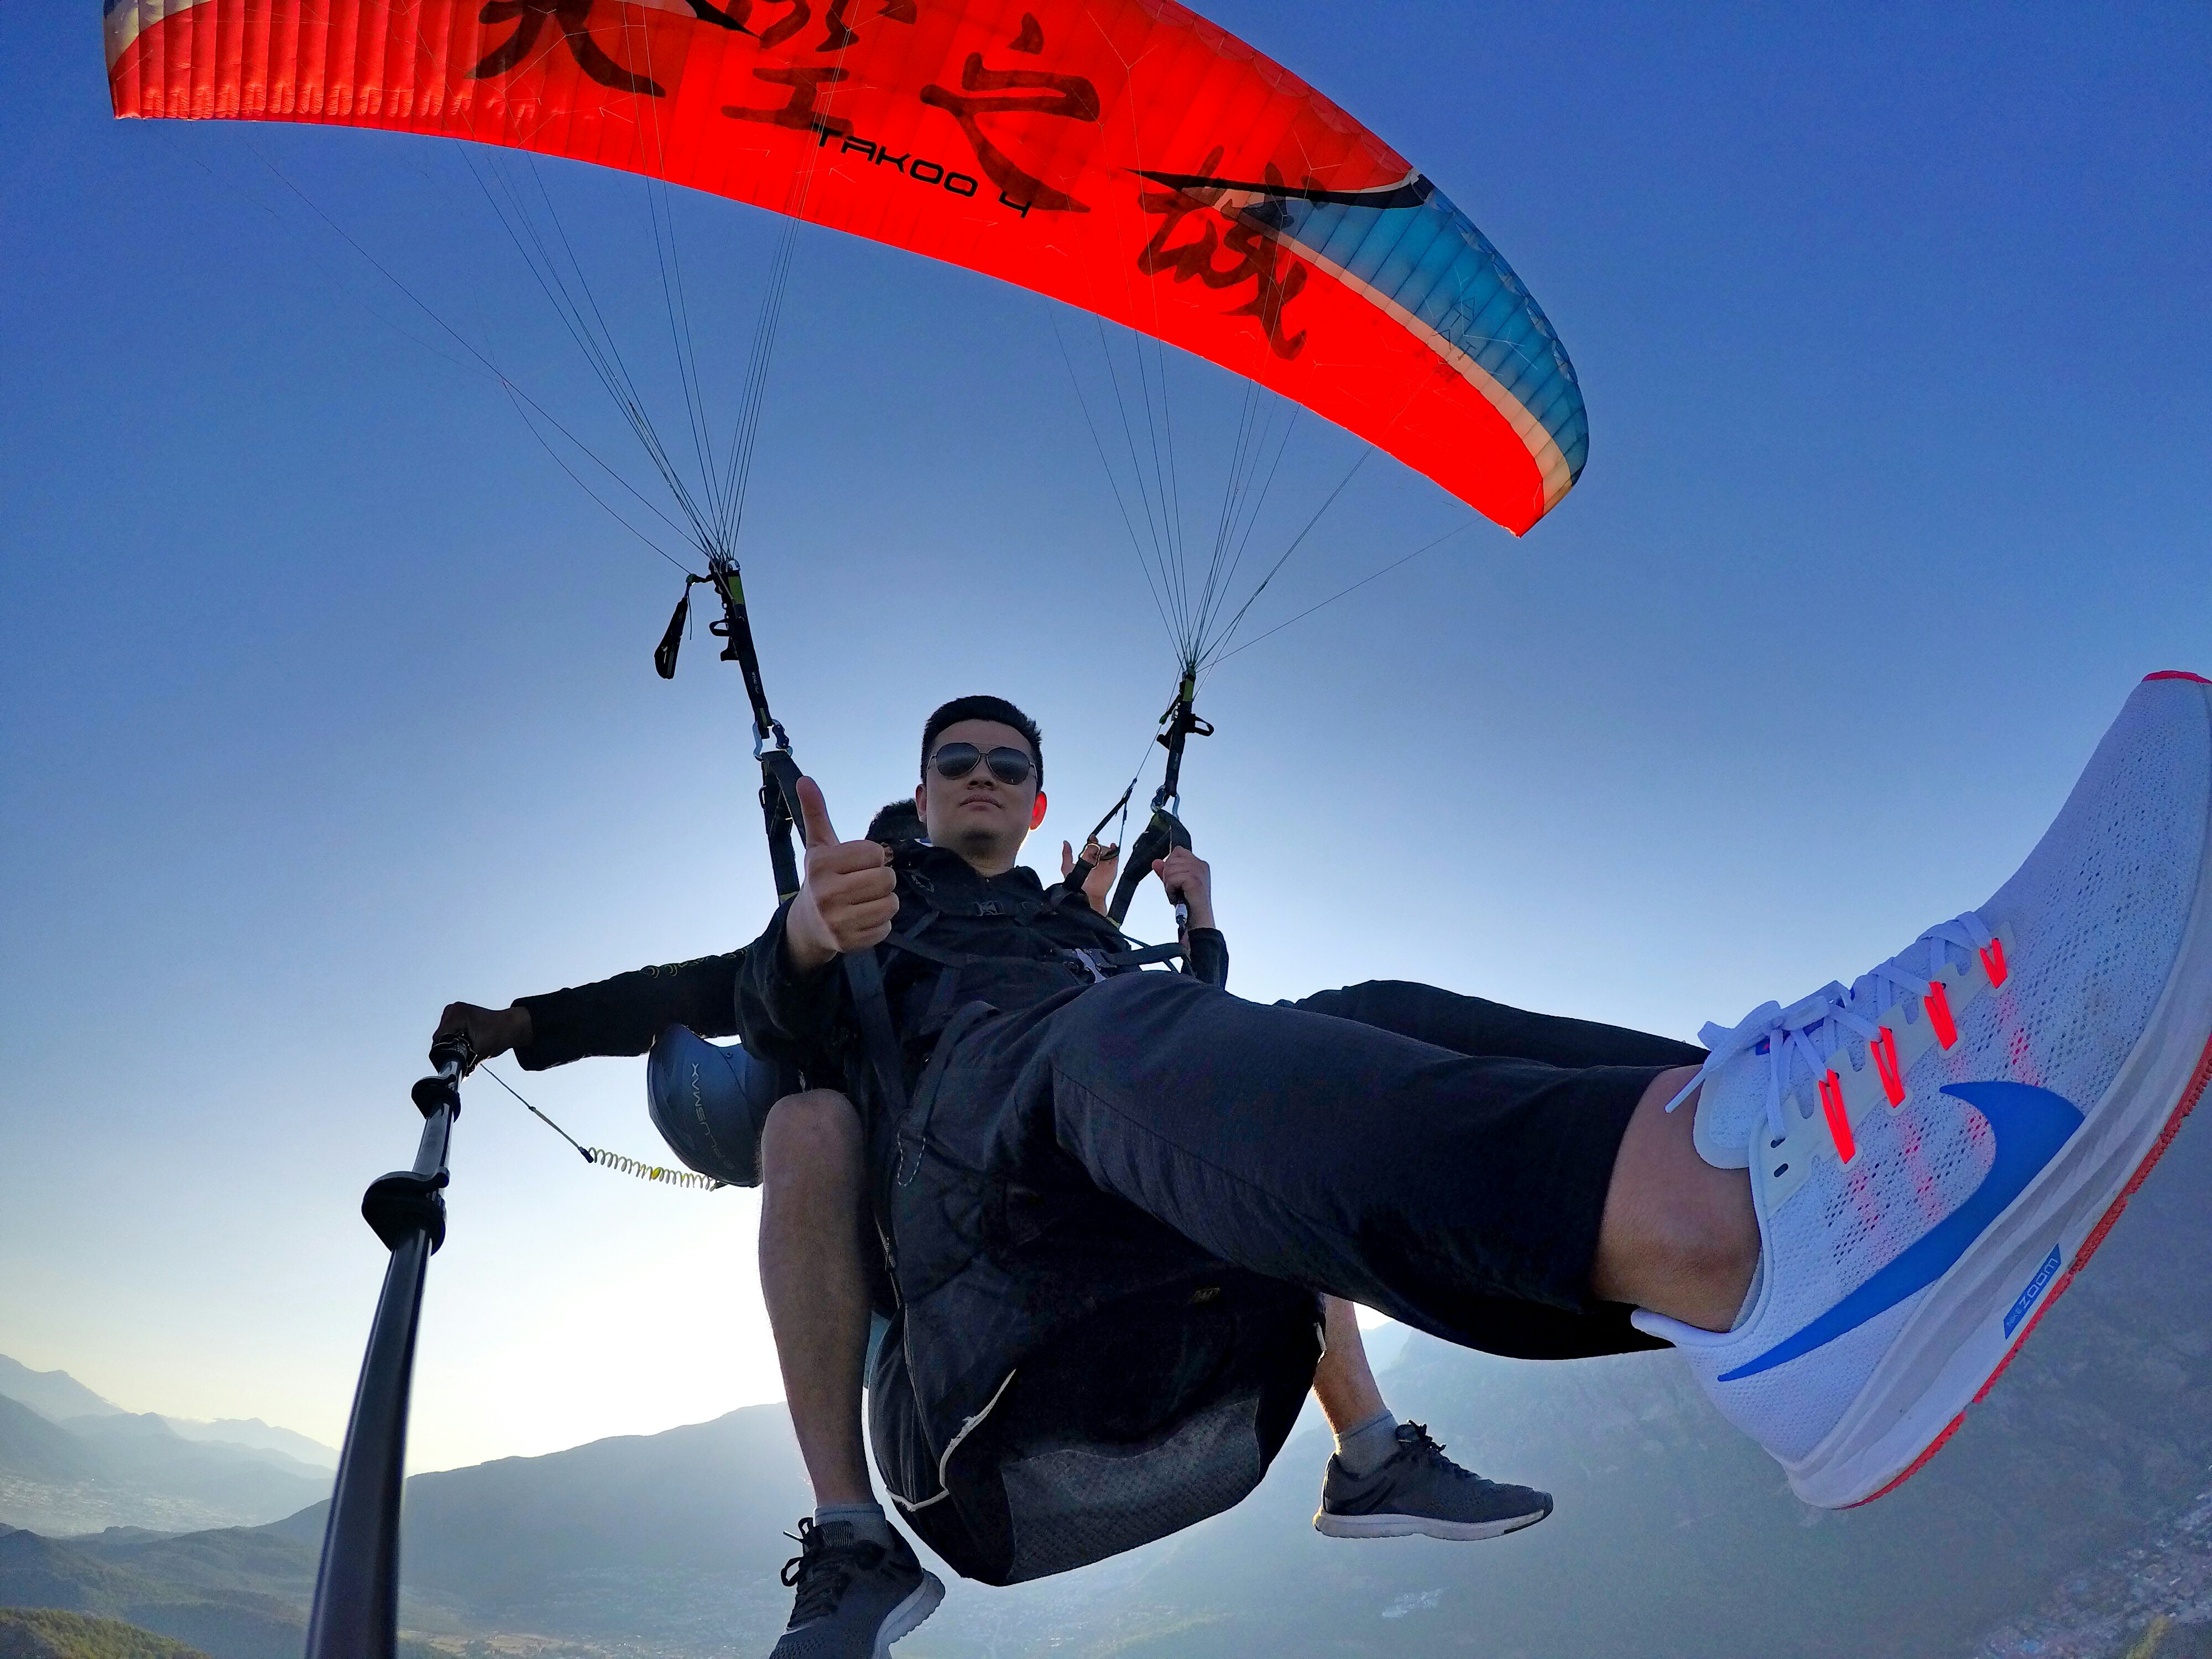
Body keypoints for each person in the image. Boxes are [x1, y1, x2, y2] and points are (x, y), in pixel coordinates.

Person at [724, 675, 2212, 1651]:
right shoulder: (873, 915)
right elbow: (771, 1027)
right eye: (955, 763)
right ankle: (1722, 1222)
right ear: (918, 796)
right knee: (1124, 1039)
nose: (980, 776)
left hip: (1149, 1214)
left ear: (1041, 805)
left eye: (1006, 763)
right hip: (984, 1273)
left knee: (1355, 1018)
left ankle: (1781, 1157)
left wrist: (1199, 933)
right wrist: (804, 932)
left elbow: (1231, 1065)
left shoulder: (1084, 931)